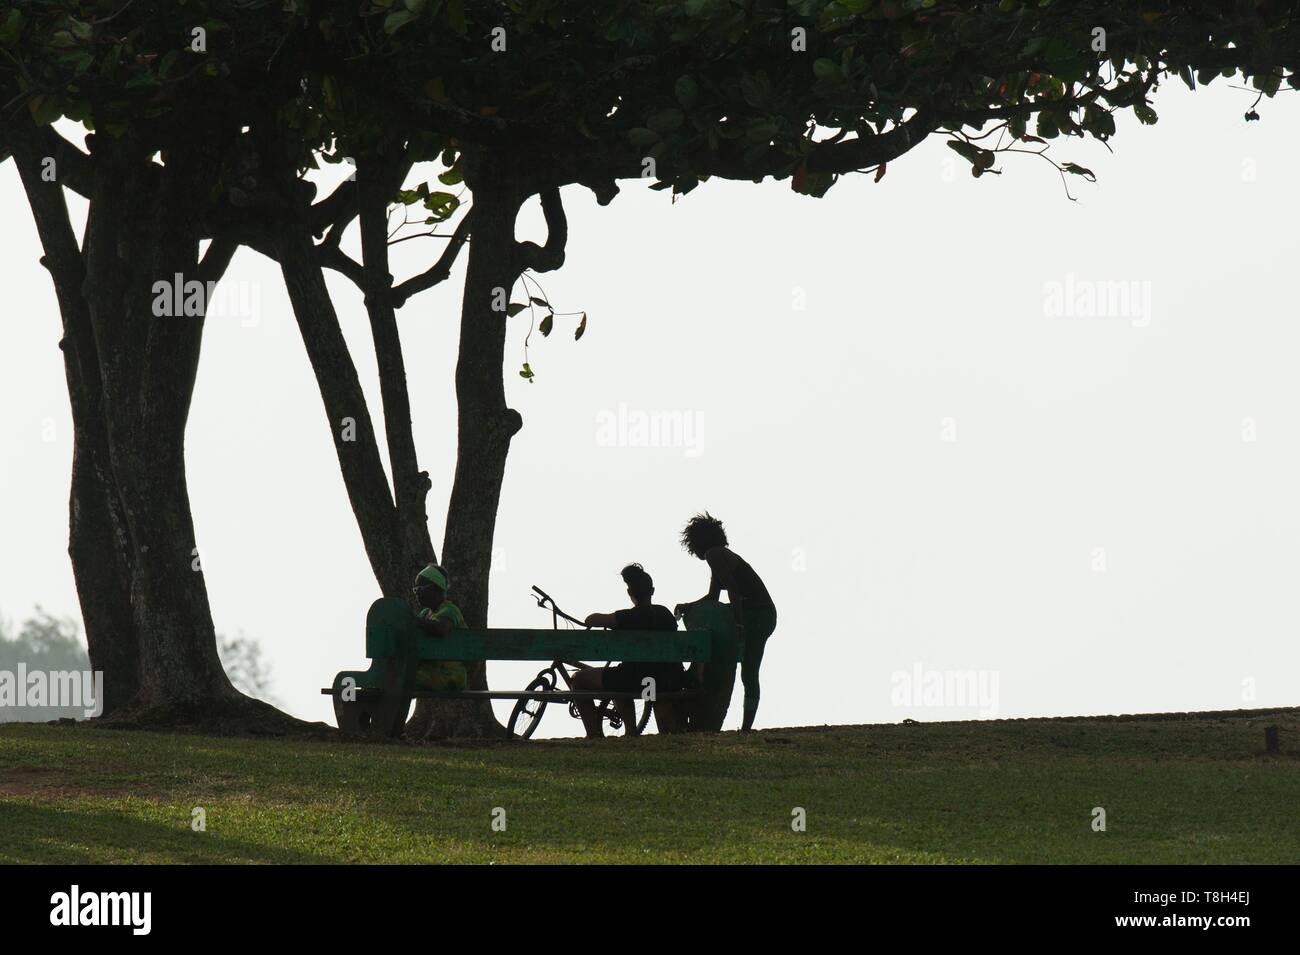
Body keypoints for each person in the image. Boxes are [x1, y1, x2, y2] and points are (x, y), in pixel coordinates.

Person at [673, 513, 776, 733]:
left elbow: (734, 592)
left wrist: (739, 625)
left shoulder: (715, 554)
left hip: (759, 615)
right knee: (747, 671)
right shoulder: (718, 556)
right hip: (751, 614)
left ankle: (746, 728)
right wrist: (689, 605)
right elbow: (712, 597)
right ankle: (742, 724)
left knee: (749, 672)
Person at [572, 563, 684, 738]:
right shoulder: (665, 614)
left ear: (629, 592)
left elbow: (590, 620)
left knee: (579, 680)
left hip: (636, 679)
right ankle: (631, 731)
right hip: (668, 678)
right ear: (652, 591)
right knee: (620, 676)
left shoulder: (626, 617)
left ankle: (596, 734)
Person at [410, 564, 468, 692]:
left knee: (400, 680)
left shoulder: (450, 610)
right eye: (415, 589)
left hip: (449, 675)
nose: (417, 593)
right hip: (429, 672)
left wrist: (413, 621)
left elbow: (441, 628)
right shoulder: (425, 613)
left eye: (421, 588)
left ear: (437, 589)